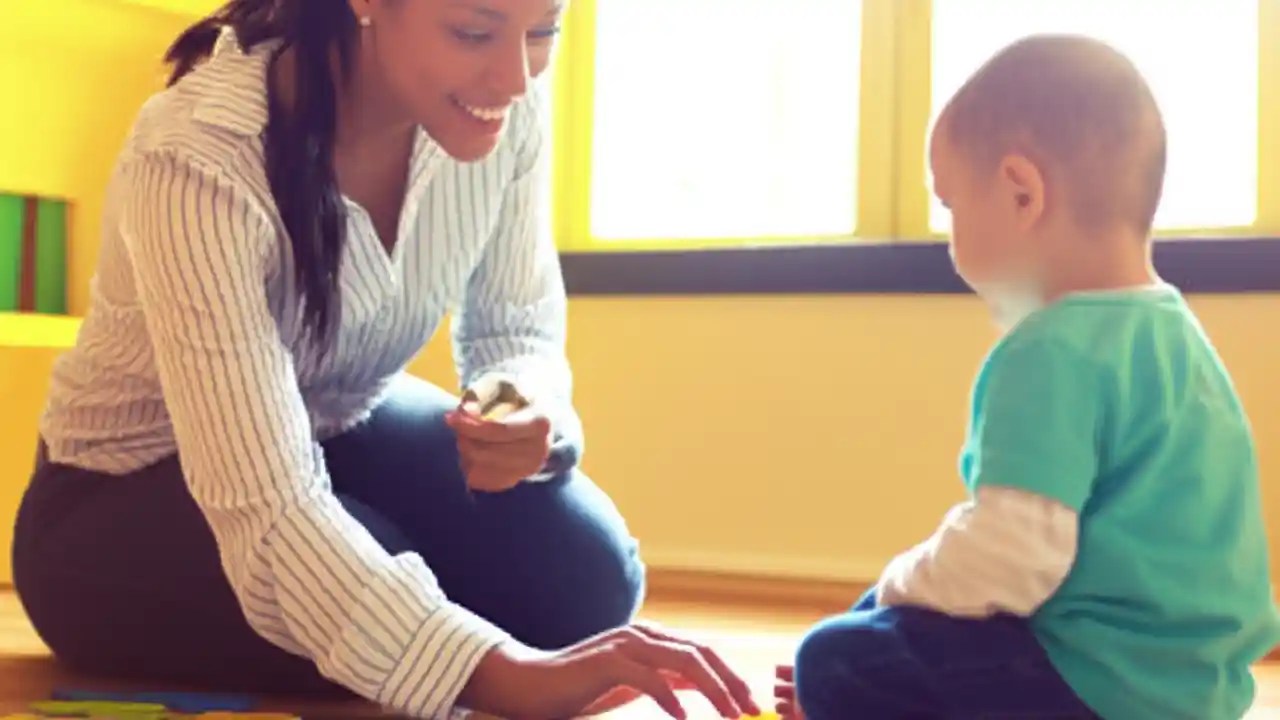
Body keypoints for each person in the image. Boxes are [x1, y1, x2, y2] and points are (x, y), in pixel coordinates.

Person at [10, 1, 761, 718]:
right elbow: (267, 507)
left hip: (337, 423)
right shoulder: (197, 156)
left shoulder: (499, 102)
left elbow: (514, 326)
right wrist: (508, 678)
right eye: (474, 32)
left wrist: (518, 404)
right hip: (122, 492)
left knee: (588, 579)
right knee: (382, 575)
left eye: (543, 30)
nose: (513, 78)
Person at [774, 34, 1280, 720]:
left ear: (1020, 193)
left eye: (950, 206)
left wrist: (892, 590)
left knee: (832, 658)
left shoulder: (1050, 350)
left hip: (1099, 685)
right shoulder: (1174, 333)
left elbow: (1011, 559)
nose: (950, 239)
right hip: (1197, 691)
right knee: (889, 613)